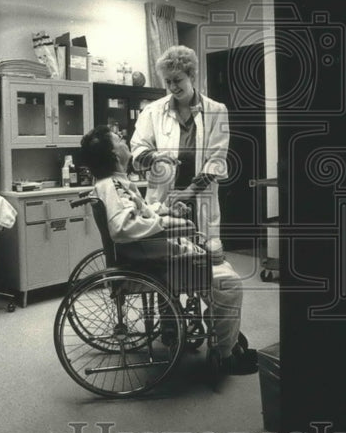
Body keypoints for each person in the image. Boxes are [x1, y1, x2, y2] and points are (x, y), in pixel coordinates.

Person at [80, 124, 258, 374]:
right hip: (155, 263)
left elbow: (137, 213)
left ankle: (220, 329)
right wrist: (167, 223)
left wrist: (164, 211)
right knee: (229, 282)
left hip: (153, 254)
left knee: (218, 264)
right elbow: (122, 227)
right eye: (119, 139)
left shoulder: (115, 183)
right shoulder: (113, 186)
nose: (124, 140)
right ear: (114, 154)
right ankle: (225, 354)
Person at [130, 45, 254, 371]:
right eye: (167, 82)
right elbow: (135, 151)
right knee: (167, 265)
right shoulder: (153, 111)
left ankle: (217, 333)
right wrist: (154, 157)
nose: (172, 88)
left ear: (192, 75)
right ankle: (171, 328)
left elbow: (216, 161)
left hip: (199, 204)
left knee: (209, 268)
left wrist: (187, 193)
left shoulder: (216, 110)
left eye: (178, 81)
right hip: (162, 202)